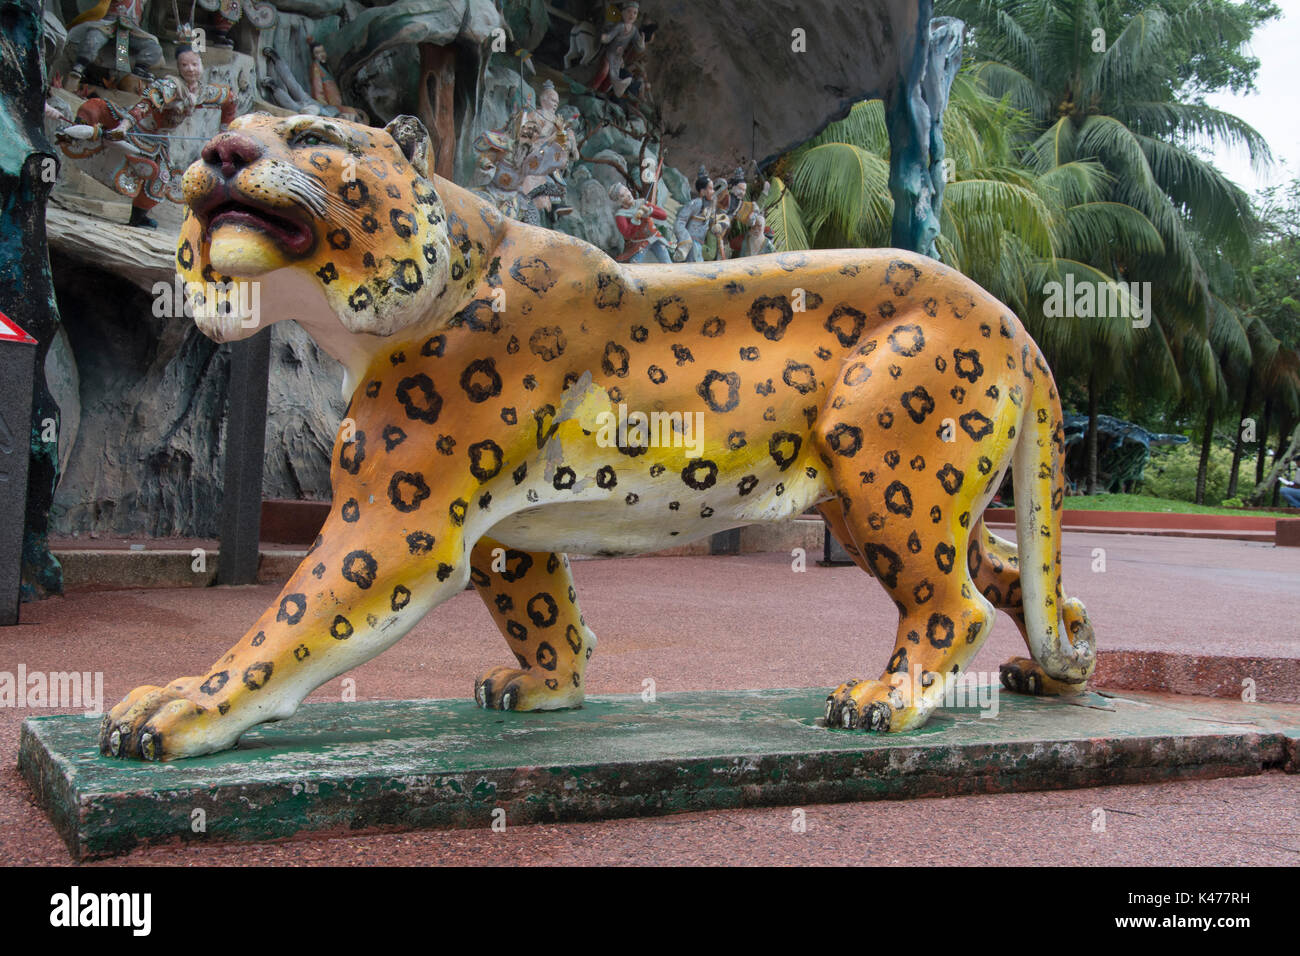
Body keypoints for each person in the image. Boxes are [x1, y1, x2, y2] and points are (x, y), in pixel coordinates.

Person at [60, 46, 235, 228]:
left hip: (158, 139)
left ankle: (137, 217)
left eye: (194, 64)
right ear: (178, 67)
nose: (190, 69)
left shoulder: (204, 92)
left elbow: (231, 99)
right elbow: (146, 104)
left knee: (161, 179)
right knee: (95, 106)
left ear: (201, 64)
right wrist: (124, 127)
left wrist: (224, 133)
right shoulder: (170, 86)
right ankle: (73, 135)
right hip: (136, 126)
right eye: (184, 65)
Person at [63, 0, 164, 93]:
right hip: (107, 24)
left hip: (130, 29)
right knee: (93, 39)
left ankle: (138, 71)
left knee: (153, 48)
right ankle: (78, 68)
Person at [610, 182, 672, 263]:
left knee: (667, 261)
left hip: (655, 237)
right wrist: (635, 219)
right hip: (639, 244)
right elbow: (627, 235)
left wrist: (650, 211)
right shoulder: (621, 215)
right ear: (619, 201)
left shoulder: (642, 202)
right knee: (635, 263)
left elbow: (663, 216)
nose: (628, 195)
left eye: (626, 191)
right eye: (622, 195)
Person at [674, 169, 717, 262]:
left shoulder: (711, 205)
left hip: (701, 243)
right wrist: (685, 240)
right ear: (702, 191)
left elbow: (712, 221)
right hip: (691, 242)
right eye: (710, 188)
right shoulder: (695, 204)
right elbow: (680, 221)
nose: (713, 191)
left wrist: (717, 226)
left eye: (713, 189)